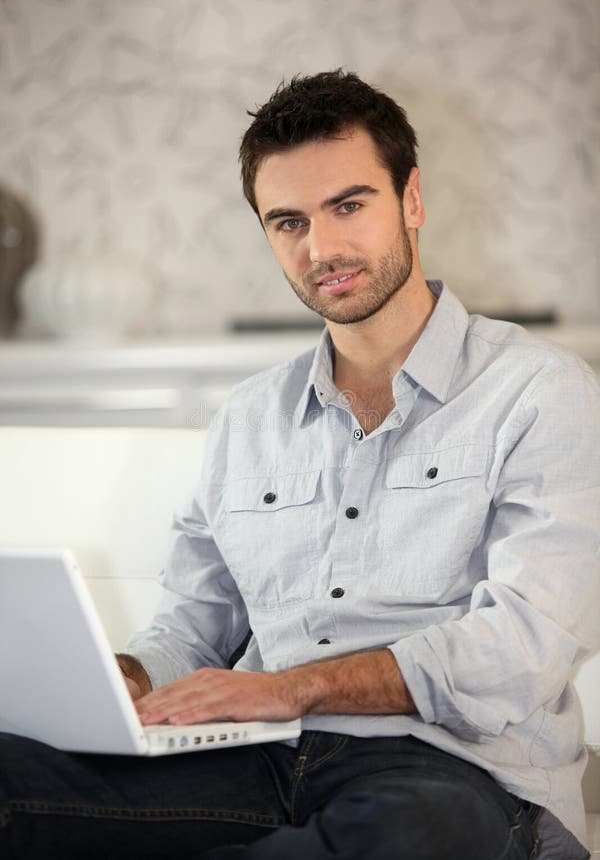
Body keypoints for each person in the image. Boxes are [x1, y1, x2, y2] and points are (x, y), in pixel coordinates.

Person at [1, 70, 599, 860]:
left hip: (450, 772)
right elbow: (194, 627)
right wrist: (126, 678)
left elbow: (523, 645)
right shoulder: (246, 419)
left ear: (411, 201)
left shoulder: (539, 391)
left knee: (409, 833)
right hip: (251, 761)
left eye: (349, 206)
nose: (321, 248)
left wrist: (293, 685)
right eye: (288, 222)